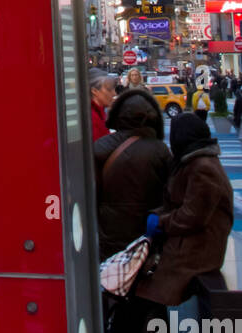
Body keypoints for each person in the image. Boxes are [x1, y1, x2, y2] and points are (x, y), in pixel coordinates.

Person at [135, 112, 235, 314]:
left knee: (147, 294)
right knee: (143, 294)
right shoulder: (190, 162)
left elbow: (193, 216)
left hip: (196, 250)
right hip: (188, 244)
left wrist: (160, 222)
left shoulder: (202, 167)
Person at [95, 89, 172, 260]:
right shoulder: (160, 150)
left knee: (111, 277)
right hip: (146, 230)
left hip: (109, 230)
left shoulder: (100, 147)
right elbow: (170, 193)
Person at [89, 68, 118, 142]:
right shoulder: (91, 117)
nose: (114, 93)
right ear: (95, 91)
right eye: (109, 89)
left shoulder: (99, 112)